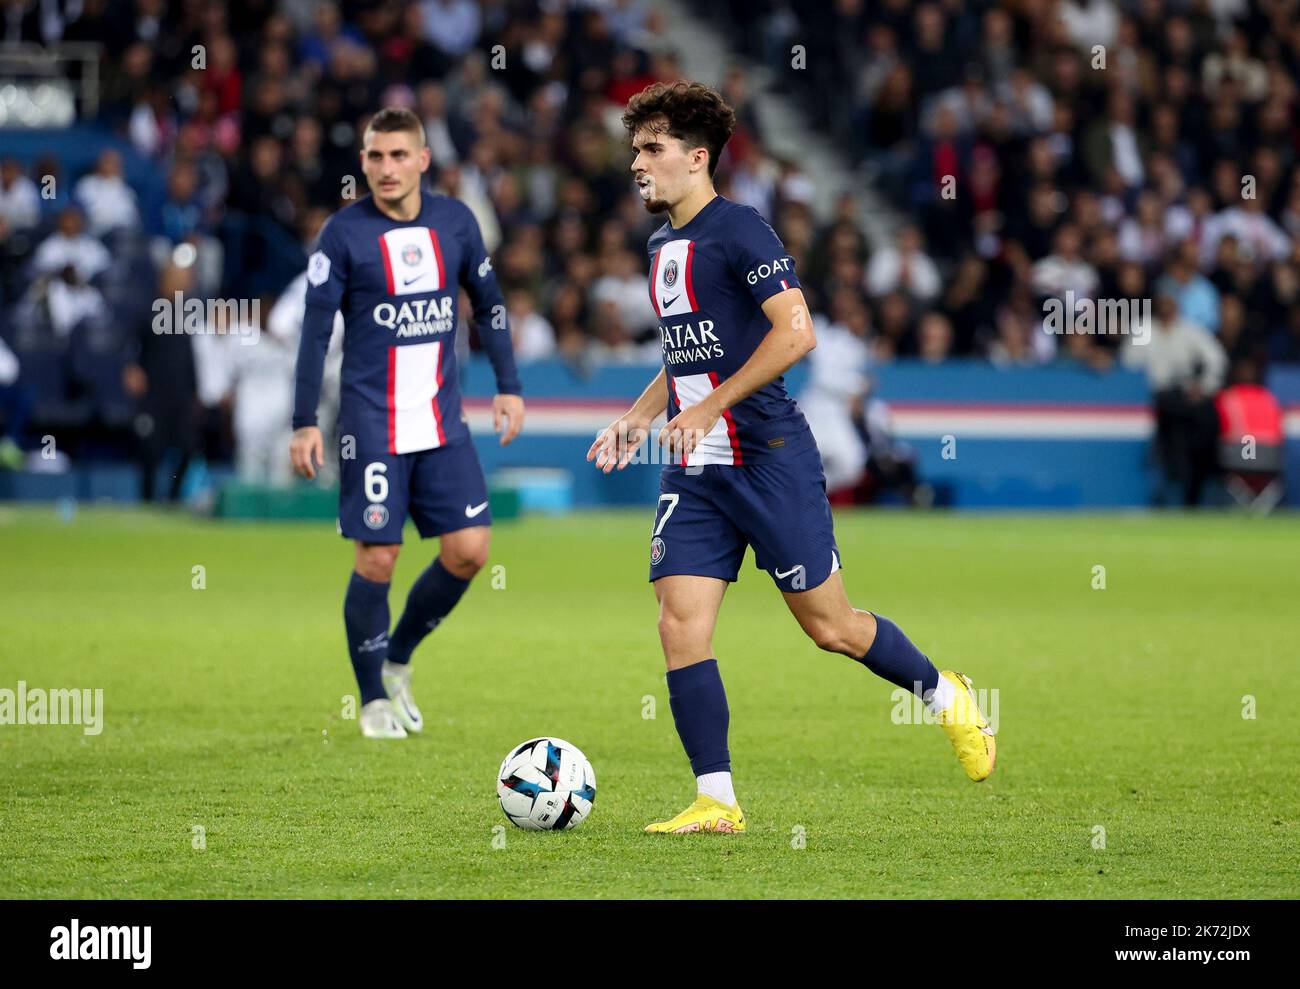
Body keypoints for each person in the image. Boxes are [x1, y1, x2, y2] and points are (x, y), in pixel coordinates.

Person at [586, 82, 995, 835]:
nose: (637, 164)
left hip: (768, 455)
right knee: (679, 624)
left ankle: (946, 693)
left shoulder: (742, 230)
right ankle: (717, 798)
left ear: (696, 157)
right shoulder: (659, 245)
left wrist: (709, 405)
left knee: (831, 627)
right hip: (697, 465)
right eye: (634, 150)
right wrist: (641, 416)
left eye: (653, 149)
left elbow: (795, 334)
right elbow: (688, 355)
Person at [291, 107, 525, 739]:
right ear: (362, 162)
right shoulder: (342, 234)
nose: (387, 168)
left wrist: (508, 387)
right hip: (372, 425)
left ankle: (395, 659)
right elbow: (316, 334)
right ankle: (370, 700)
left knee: (470, 552)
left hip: (443, 424)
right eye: (375, 157)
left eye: (399, 155)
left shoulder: (456, 222)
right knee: (379, 558)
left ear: (423, 159)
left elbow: (490, 306)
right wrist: (304, 421)